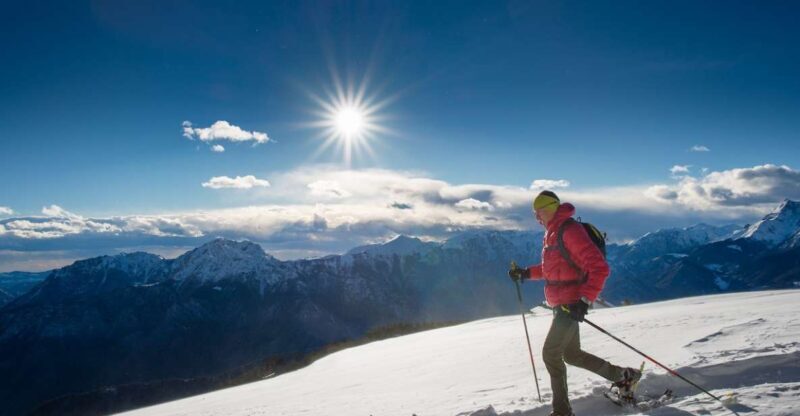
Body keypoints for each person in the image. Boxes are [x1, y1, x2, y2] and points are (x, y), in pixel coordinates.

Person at [508, 190, 640, 416]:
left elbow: (599, 268)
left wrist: (585, 300)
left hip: (571, 305)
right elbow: (553, 270)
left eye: (539, 213)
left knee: (550, 354)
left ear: (550, 209)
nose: (537, 218)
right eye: (534, 214)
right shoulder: (552, 233)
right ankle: (624, 376)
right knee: (572, 355)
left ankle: (562, 412)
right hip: (562, 305)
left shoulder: (570, 231)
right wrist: (525, 273)